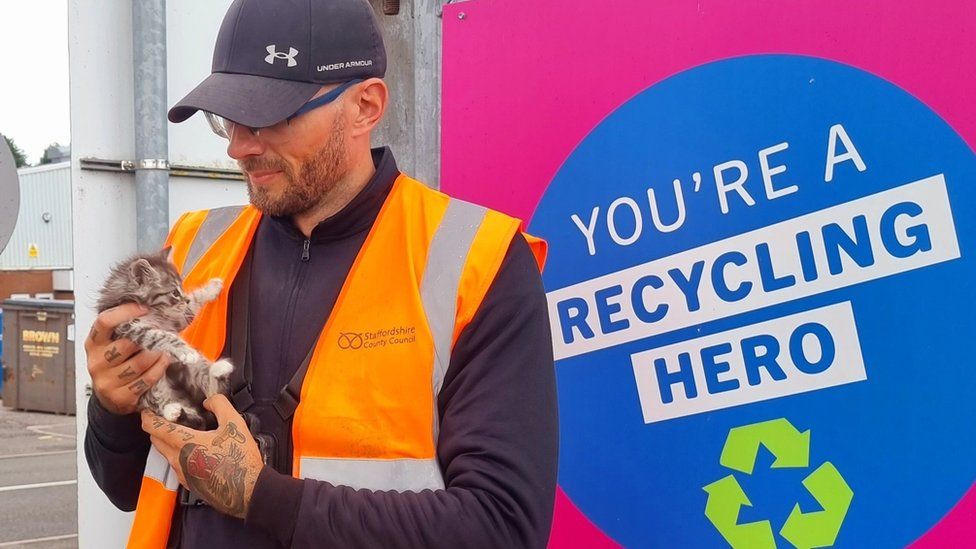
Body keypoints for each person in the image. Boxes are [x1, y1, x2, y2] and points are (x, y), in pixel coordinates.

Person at [82, 0, 558, 548]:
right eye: (228, 118)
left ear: (365, 106)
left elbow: (503, 527)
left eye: (270, 116)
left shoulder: (478, 264)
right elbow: (131, 487)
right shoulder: (192, 249)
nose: (239, 145)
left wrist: (262, 498)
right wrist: (114, 408)